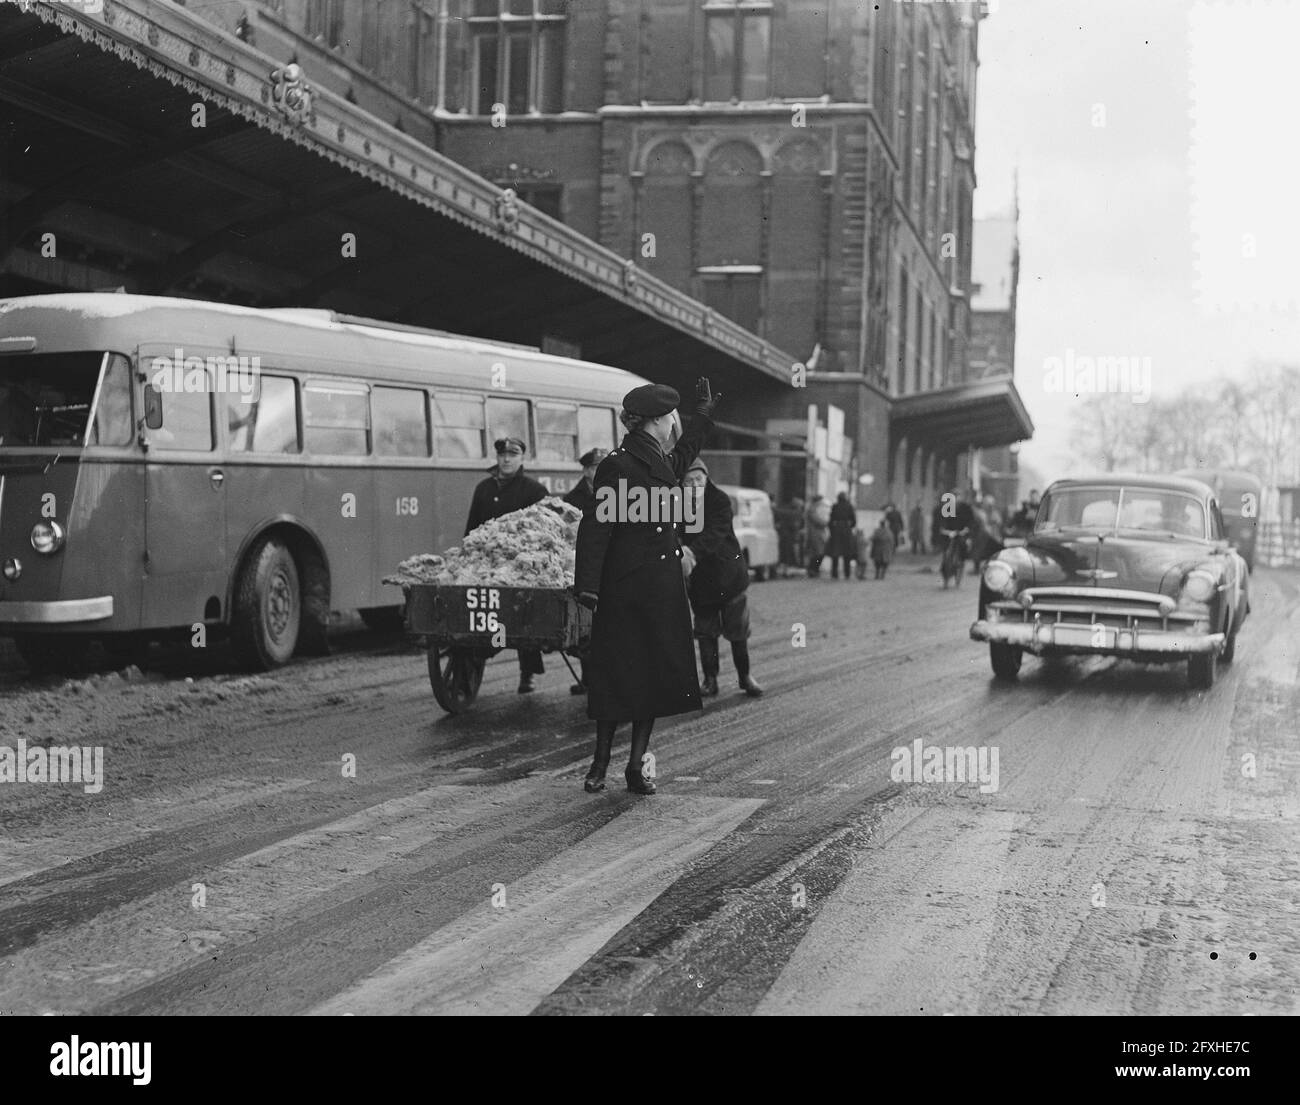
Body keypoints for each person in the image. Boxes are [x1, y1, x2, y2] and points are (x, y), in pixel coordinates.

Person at [573, 378, 721, 795]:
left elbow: (686, 453)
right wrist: (588, 586)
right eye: (673, 416)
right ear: (657, 421)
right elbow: (596, 528)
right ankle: (600, 763)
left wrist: (704, 417)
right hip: (626, 589)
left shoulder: (659, 458)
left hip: (661, 588)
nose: (676, 422)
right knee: (617, 676)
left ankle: (635, 767)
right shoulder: (618, 464)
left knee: (653, 679)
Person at [465, 436, 549, 693]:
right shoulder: (483, 489)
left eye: (512, 455)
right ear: (498, 458)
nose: (507, 459)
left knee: (524, 612)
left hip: (521, 565)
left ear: (522, 458)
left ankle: (528, 672)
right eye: (503, 455)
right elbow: (471, 527)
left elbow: (544, 533)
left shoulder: (534, 491)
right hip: (486, 564)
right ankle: (475, 655)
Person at [681, 459, 764, 699]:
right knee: (706, 633)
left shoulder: (719, 500)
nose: (694, 485)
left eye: (698, 480)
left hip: (729, 577)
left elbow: (715, 532)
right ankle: (710, 680)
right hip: (700, 582)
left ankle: (745, 676)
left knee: (737, 631)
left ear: (706, 478)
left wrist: (691, 552)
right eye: (689, 482)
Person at [563, 448, 607, 694]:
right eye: (595, 467)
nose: (599, 472)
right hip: (580, 564)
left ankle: (601, 678)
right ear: (587, 471)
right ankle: (588, 678)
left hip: (606, 565)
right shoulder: (571, 499)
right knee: (583, 625)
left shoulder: (617, 494)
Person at [825, 492, 857, 579]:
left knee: (835, 553)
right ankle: (847, 573)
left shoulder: (835, 506)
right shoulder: (849, 506)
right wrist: (849, 527)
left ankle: (834, 573)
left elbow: (831, 520)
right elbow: (854, 521)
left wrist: (832, 530)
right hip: (846, 530)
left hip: (836, 531)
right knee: (847, 553)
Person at [806, 495, 830, 577]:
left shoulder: (816, 508)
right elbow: (817, 521)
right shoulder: (812, 509)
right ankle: (813, 569)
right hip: (815, 533)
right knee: (818, 553)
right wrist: (826, 523)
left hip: (819, 533)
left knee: (819, 553)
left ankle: (814, 569)